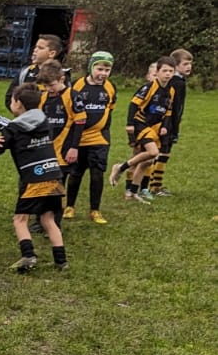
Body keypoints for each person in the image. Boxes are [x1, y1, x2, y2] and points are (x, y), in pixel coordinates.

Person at [0, 82, 68, 273]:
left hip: (33, 179)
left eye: (12, 100)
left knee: (20, 220)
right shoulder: (45, 121)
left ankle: (28, 255)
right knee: (48, 219)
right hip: (54, 175)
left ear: (18, 103)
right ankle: (61, 260)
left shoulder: (14, 128)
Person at [109, 58, 176, 202]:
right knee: (153, 152)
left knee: (147, 161)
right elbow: (133, 104)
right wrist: (130, 124)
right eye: (165, 71)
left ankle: (133, 192)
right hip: (141, 124)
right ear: (157, 72)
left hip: (155, 128)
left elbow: (168, 112)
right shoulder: (149, 87)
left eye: (171, 71)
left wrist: (164, 126)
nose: (168, 74)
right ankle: (120, 168)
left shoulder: (171, 91)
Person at [62, 52, 116, 225]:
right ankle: (69, 206)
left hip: (100, 138)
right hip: (79, 138)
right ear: (91, 67)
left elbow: (111, 108)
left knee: (97, 174)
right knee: (75, 174)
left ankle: (95, 210)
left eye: (107, 70)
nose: (103, 73)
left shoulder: (110, 87)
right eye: (100, 68)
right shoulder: (77, 85)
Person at [145, 48, 192, 195]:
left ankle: (151, 185)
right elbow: (174, 106)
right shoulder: (177, 83)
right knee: (162, 153)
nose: (189, 67)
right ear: (176, 66)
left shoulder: (176, 81)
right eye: (185, 64)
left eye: (190, 63)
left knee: (160, 152)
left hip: (164, 122)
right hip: (167, 123)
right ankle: (154, 186)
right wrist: (173, 126)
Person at [5, 32, 64, 111]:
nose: (35, 50)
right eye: (35, 47)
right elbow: (10, 97)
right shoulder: (25, 72)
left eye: (40, 48)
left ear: (52, 53)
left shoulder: (61, 75)